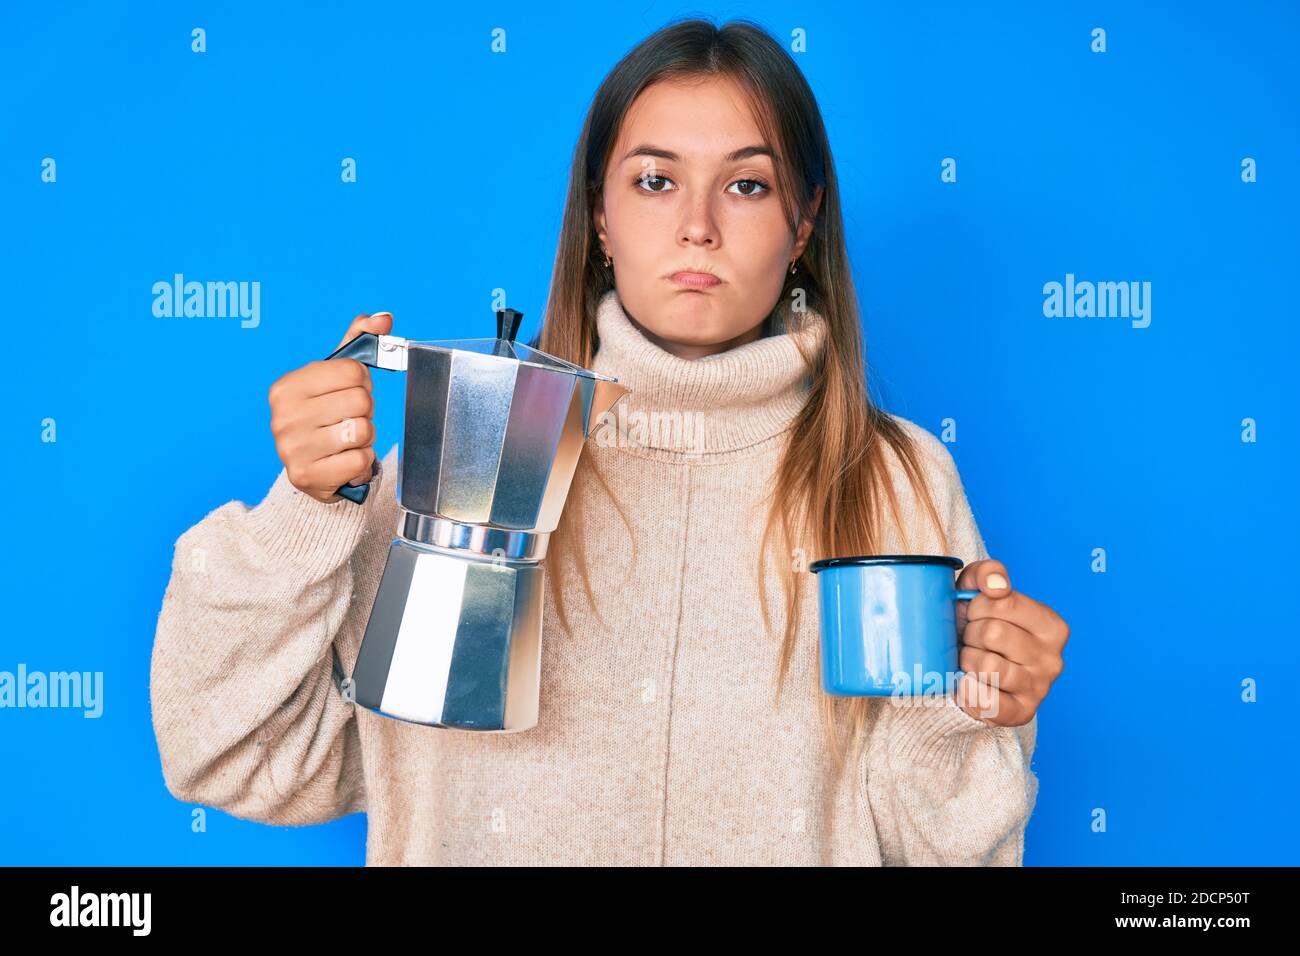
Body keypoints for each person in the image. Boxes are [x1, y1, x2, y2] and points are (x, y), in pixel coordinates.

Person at [150, 17, 1068, 866]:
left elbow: (947, 853)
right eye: (655, 180)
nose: (697, 225)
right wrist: (304, 515)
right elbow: (234, 756)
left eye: (747, 185)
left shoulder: (894, 481)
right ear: (599, 214)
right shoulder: (476, 450)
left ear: (803, 225)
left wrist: (972, 710)